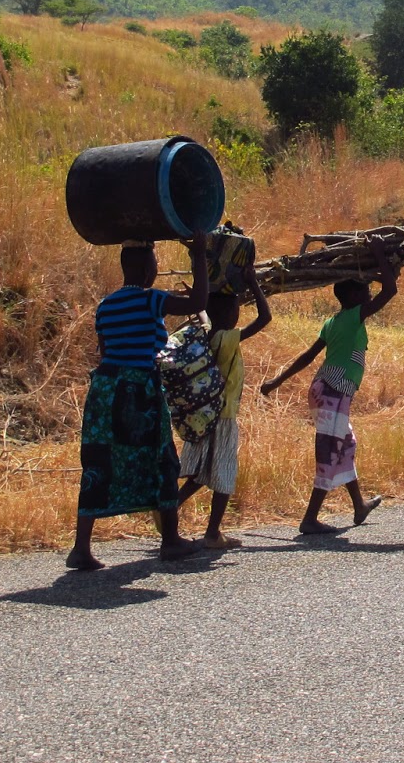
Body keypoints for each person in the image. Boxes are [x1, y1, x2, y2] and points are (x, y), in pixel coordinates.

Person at [67, 233, 209, 571]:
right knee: (162, 460)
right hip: (138, 387)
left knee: (99, 462)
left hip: (104, 388)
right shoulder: (151, 300)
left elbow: (104, 350)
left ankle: (80, 548)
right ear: (147, 269)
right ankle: (170, 541)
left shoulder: (105, 305)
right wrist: (200, 257)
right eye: (155, 262)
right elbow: (199, 301)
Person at [260, 239, 397, 535]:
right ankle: (310, 519)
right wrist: (377, 254)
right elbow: (390, 290)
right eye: (363, 289)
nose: (368, 292)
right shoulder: (352, 317)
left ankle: (359, 505)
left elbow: (308, 356)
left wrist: (277, 381)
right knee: (331, 450)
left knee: (346, 445)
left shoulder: (334, 321)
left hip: (326, 390)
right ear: (352, 296)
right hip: (333, 392)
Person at [176, 263, 271, 549]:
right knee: (224, 474)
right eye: (235, 310)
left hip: (204, 415)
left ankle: (169, 506)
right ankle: (213, 533)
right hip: (225, 416)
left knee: (201, 472)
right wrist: (254, 283)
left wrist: (201, 300)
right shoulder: (228, 338)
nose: (237, 314)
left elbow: (206, 315)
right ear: (229, 315)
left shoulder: (205, 334)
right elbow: (265, 318)